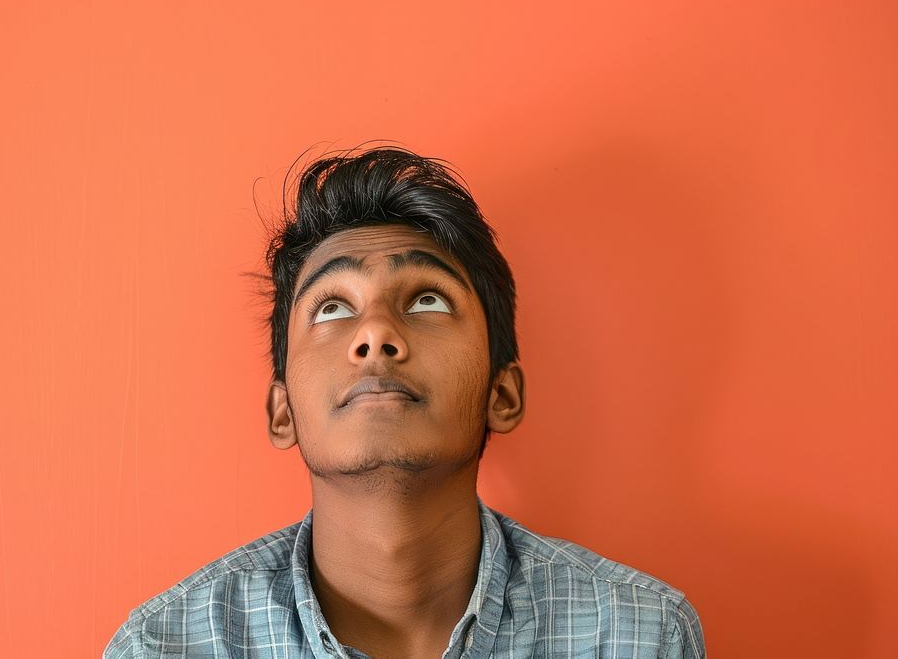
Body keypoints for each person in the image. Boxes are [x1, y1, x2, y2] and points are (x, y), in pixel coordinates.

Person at [103, 146, 706, 658]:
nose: (375, 335)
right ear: (282, 410)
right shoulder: (164, 646)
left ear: (502, 394)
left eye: (427, 301)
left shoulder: (639, 637)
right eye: (333, 308)